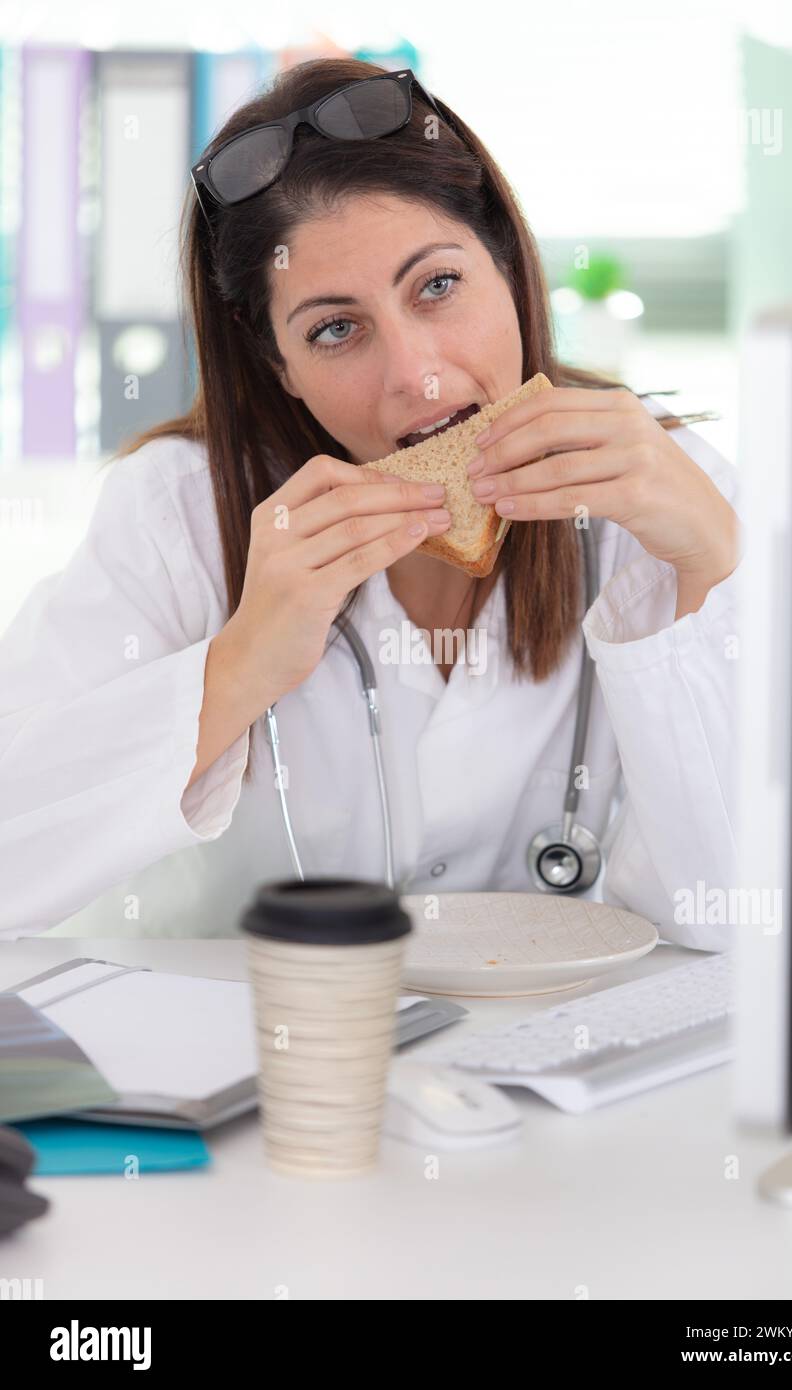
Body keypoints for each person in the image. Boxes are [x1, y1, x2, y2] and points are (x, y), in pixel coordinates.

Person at [0, 59, 739, 946]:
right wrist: (239, 665)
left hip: (551, 1064)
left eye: (437, 285)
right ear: (279, 364)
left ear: (508, 263)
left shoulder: (662, 489)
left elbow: (738, 923)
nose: (414, 374)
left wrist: (713, 571)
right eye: (336, 330)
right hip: (246, 1059)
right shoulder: (178, 513)